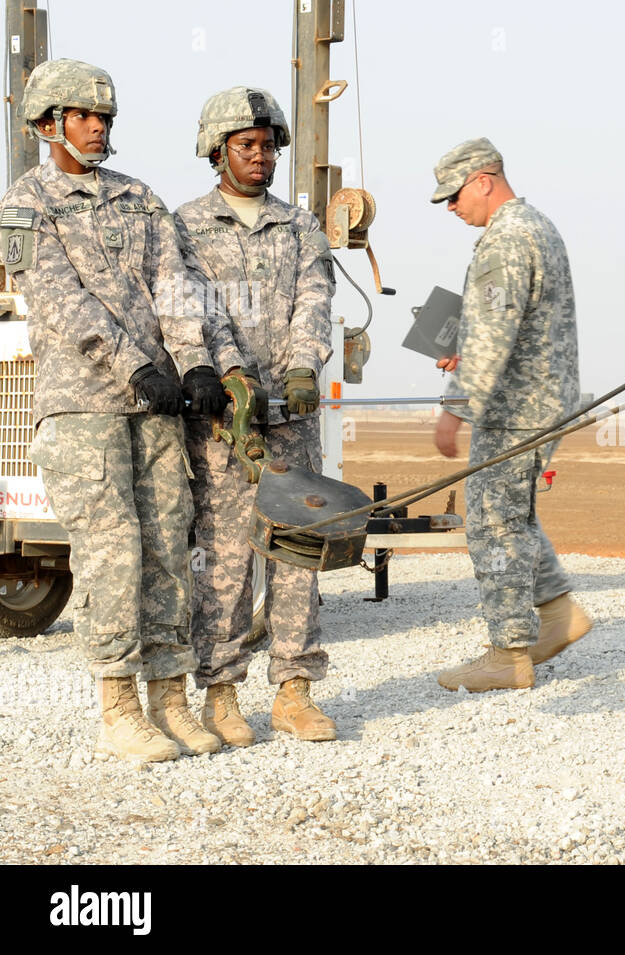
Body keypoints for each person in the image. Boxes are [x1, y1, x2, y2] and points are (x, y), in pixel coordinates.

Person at [3, 59, 226, 762]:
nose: (98, 127)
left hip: (157, 406)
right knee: (112, 553)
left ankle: (170, 697)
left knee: (167, 546)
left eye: (104, 117)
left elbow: (175, 284)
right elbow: (59, 298)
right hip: (85, 408)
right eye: (84, 116)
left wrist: (193, 360)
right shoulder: (24, 203)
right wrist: (134, 365)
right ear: (49, 124)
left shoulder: (140, 197)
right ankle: (118, 708)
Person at [172, 87, 336, 744]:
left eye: (268, 146)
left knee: (298, 546)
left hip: (291, 417)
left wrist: (303, 367)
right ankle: (221, 691)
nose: (261, 156)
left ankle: (295, 690)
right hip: (224, 420)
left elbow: (314, 300)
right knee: (224, 555)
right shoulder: (186, 227)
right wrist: (233, 372)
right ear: (218, 151)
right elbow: (194, 309)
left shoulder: (300, 227)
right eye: (247, 145)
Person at [429, 137, 591, 692]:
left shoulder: (506, 239)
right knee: (513, 512)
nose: (451, 207)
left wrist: (454, 408)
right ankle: (558, 614)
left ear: (483, 180)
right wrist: (464, 345)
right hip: (541, 397)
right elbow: (506, 322)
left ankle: (509, 653)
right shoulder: (536, 225)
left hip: (517, 407)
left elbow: (494, 333)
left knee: (492, 520)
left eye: (454, 195)